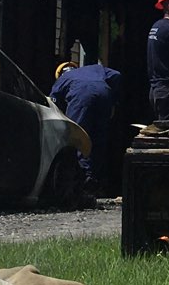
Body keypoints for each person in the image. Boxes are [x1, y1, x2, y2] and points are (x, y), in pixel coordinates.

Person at [48, 57, 122, 192]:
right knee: (99, 138)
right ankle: (97, 178)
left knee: (79, 137)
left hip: (80, 96)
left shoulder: (63, 79)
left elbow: (52, 105)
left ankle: (85, 179)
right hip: (104, 93)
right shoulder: (95, 68)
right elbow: (117, 75)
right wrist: (114, 99)